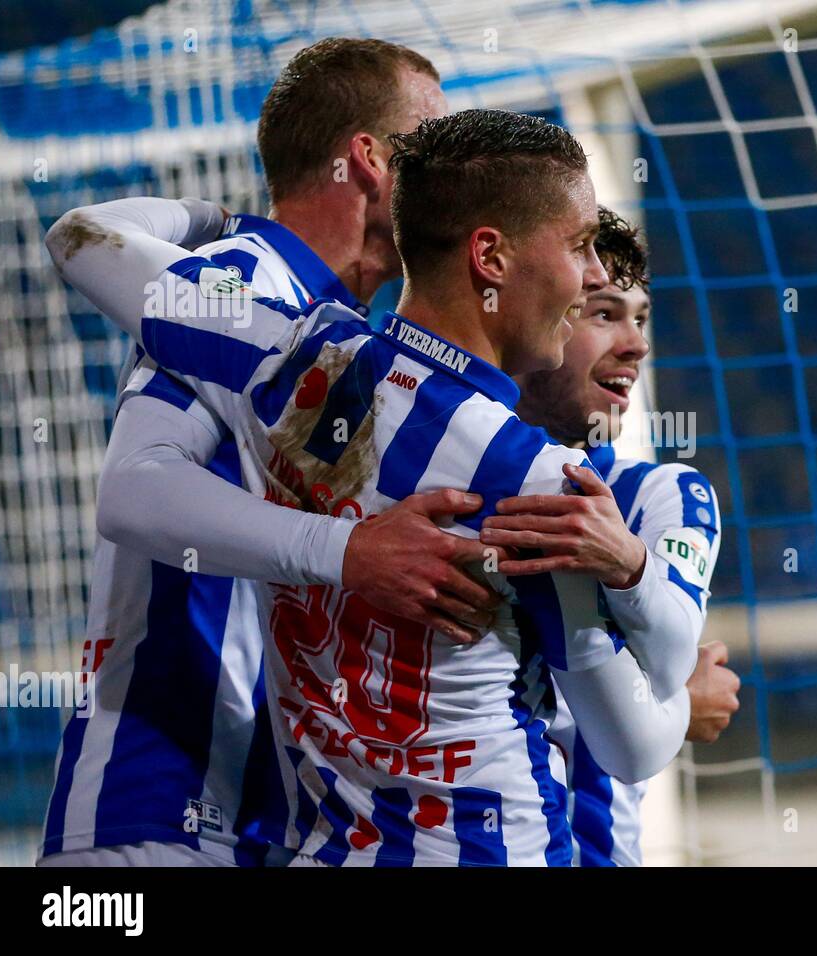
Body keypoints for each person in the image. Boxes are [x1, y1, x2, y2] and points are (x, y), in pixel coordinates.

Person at [46, 109, 693, 866]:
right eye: (581, 247)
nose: (589, 276)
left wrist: (221, 224)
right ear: (491, 256)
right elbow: (630, 742)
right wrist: (641, 589)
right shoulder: (537, 484)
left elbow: (81, 241)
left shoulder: (293, 356)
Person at [39, 39, 500, 868]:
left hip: (279, 819)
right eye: (436, 143)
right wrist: (352, 551)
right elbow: (134, 492)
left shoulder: (356, 338)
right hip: (157, 810)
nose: (455, 178)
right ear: (369, 158)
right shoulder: (238, 278)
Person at [486, 207, 740, 864]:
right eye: (603, 314)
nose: (637, 344)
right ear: (534, 315)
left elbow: (677, 646)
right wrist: (682, 704)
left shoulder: (661, 495)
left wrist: (628, 563)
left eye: (642, 318)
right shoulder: (436, 469)